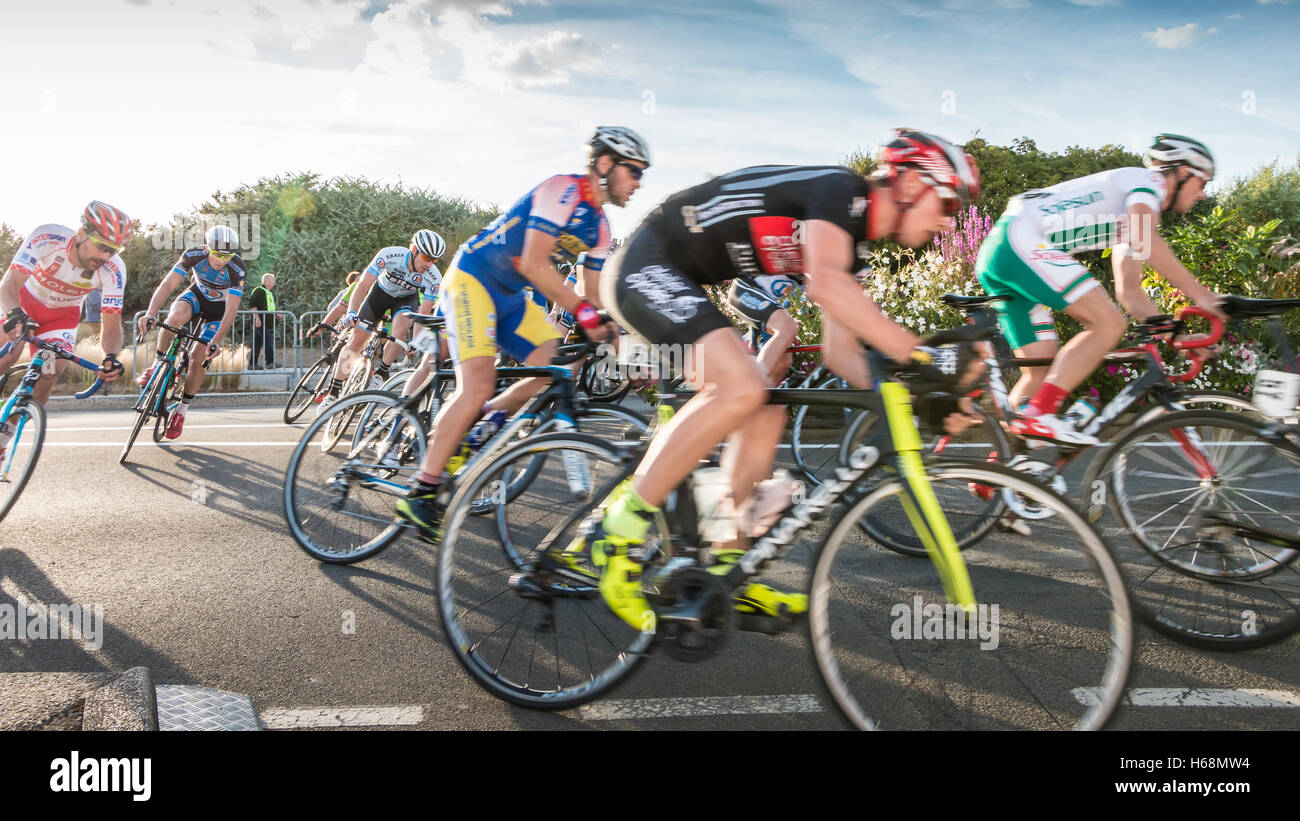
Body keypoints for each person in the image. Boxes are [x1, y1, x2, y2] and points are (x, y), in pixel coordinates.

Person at [581, 129, 982, 629]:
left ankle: (728, 563)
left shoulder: (852, 246)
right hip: (648, 264)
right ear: (906, 185)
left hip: (684, 279)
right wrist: (925, 359)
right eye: (945, 204)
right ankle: (618, 532)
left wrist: (913, 394)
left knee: (767, 404)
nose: (948, 222)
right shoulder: (839, 193)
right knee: (742, 385)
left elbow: (840, 354)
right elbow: (827, 285)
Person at [394, 126, 649, 538]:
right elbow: (534, 263)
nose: (639, 183)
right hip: (473, 278)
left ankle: (479, 429)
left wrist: (618, 343)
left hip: (510, 296)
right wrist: (584, 313)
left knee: (550, 363)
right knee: (476, 384)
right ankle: (421, 490)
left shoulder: (600, 228)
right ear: (606, 164)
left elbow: (594, 296)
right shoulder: (562, 190)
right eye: (634, 171)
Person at [974, 133, 1225, 446]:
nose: (1203, 194)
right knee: (1108, 323)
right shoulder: (1149, 184)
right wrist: (1202, 295)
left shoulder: (1133, 212)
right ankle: (1040, 414)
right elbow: (1145, 236)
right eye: (1204, 182)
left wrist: (1179, 337)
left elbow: (1130, 294)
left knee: (1041, 372)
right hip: (1019, 241)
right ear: (1183, 172)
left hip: (1002, 249)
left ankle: (1000, 470)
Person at [0, 201, 132, 458]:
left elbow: (112, 324)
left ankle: (4, 435)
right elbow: (9, 284)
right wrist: (15, 315)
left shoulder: (114, 269)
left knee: (51, 372)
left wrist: (110, 357)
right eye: (102, 246)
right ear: (82, 234)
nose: (106, 256)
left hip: (61, 317)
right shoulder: (47, 237)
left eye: (114, 250)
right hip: (22, 300)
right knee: (7, 354)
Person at [136, 225, 247, 439]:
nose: (222, 260)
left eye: (227, 255)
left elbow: (232, 309)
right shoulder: (193, 255)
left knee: (199, 357)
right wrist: (151, 312)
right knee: (174, 318)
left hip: (218, 311)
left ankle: (181, 411)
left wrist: (216, 340)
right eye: (216, 254)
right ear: (207, 247)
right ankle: (158, 364)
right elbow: (168, 284)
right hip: (196, 296)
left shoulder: (237, 268)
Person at [317, 229, 445, 413]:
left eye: (435, 260)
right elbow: (362, 286)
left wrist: (416, 341)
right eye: (426, 257)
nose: (430, 264)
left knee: (400, 330)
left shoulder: (433, 278)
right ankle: (333, 394)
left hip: (405, 301)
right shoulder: (390, 255)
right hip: (378, 295)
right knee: (357, 341)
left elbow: (422, 316)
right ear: (414, 249)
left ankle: (382, 372)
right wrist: (352, 312)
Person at [246, 272, 278, 370]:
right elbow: (253, 306)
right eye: (273, 279)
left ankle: (252, 364)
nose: (274, 281)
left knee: (257, 344)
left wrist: (277, 314)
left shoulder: (269, 293)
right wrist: (257, 318)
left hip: (266, 322)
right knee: (268, 340)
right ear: (266, 280)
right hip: (260, 321)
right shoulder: (259, 291)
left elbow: (270, 308)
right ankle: (270, 362)